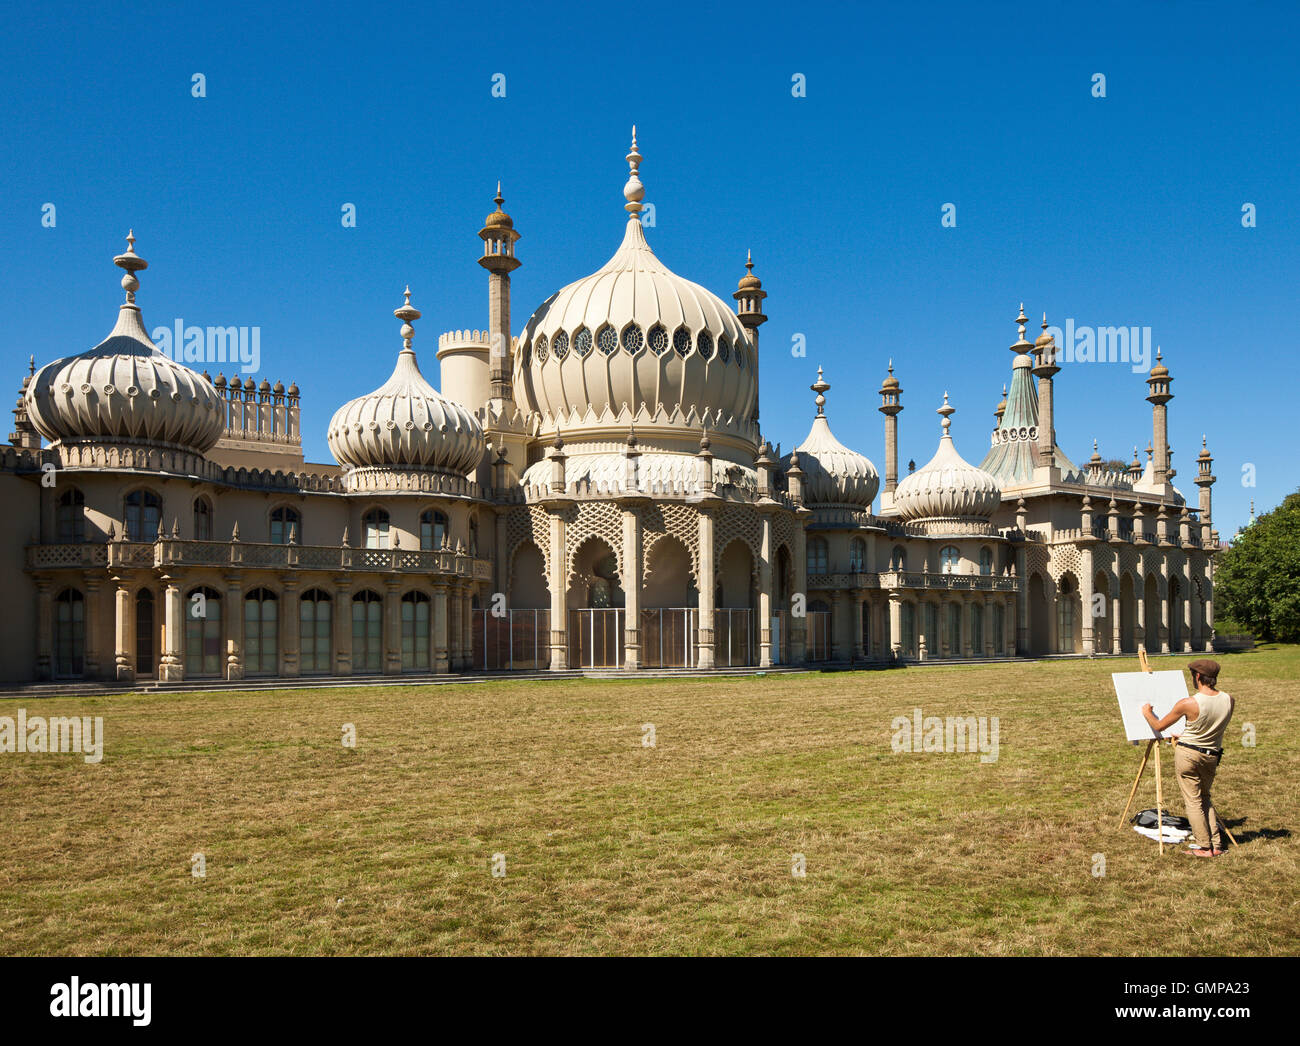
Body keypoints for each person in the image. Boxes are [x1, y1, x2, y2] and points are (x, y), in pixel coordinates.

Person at [1142, 658, 1234, 857]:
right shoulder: (1229, 699)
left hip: (1189, 755)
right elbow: (1210, 727)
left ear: (1198, 676)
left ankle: (1203, 846)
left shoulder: (1189, 703)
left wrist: (1147, 713)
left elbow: (1158, 726)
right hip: (1212, 755)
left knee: (1193, 800)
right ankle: (1216, 844)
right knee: (1205, 798)